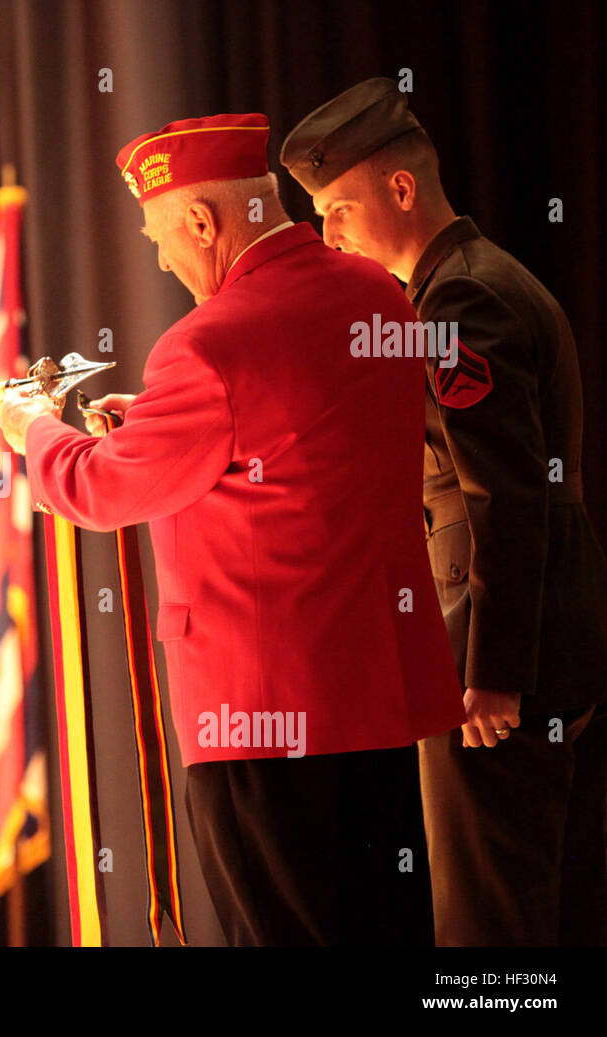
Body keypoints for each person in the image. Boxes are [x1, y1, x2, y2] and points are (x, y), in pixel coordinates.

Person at [0, 111, 463, 945]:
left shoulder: (205, 346)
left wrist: (29, 424)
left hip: (258, 717)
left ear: (205, 221)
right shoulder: (378, 298)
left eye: (159, 236)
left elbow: (100, 489)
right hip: (379, 706)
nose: (161, 256)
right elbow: (301, 443)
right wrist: (158, 422)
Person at [282, 77, 607, 946]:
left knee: (487, 929)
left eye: (339, 209)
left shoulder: (456, 303)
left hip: (498, 661)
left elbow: (503, 494)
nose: (327, 234)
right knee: (538, 914)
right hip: (541, 641)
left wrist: (490, 666)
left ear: (401, 189)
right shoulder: (479, 282)